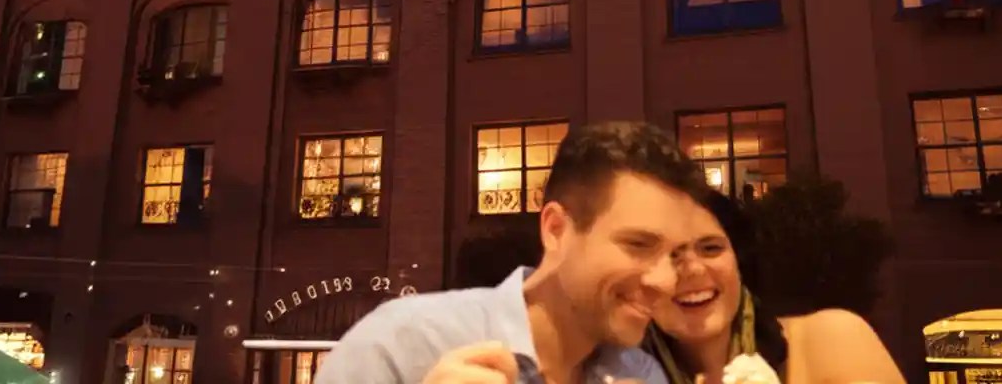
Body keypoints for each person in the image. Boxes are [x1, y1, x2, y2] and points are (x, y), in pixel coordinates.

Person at [314, 121, 715, 384]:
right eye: (638, 245)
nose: (665, 281)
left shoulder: (641, 373)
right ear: (556, 230)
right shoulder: (401, 344)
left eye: (674, 256)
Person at [643, 191, 906, 384]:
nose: (693, 269)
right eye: (670, 255)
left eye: (710, 248)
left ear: (739, 261)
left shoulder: (828, 339)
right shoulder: (626, 373)